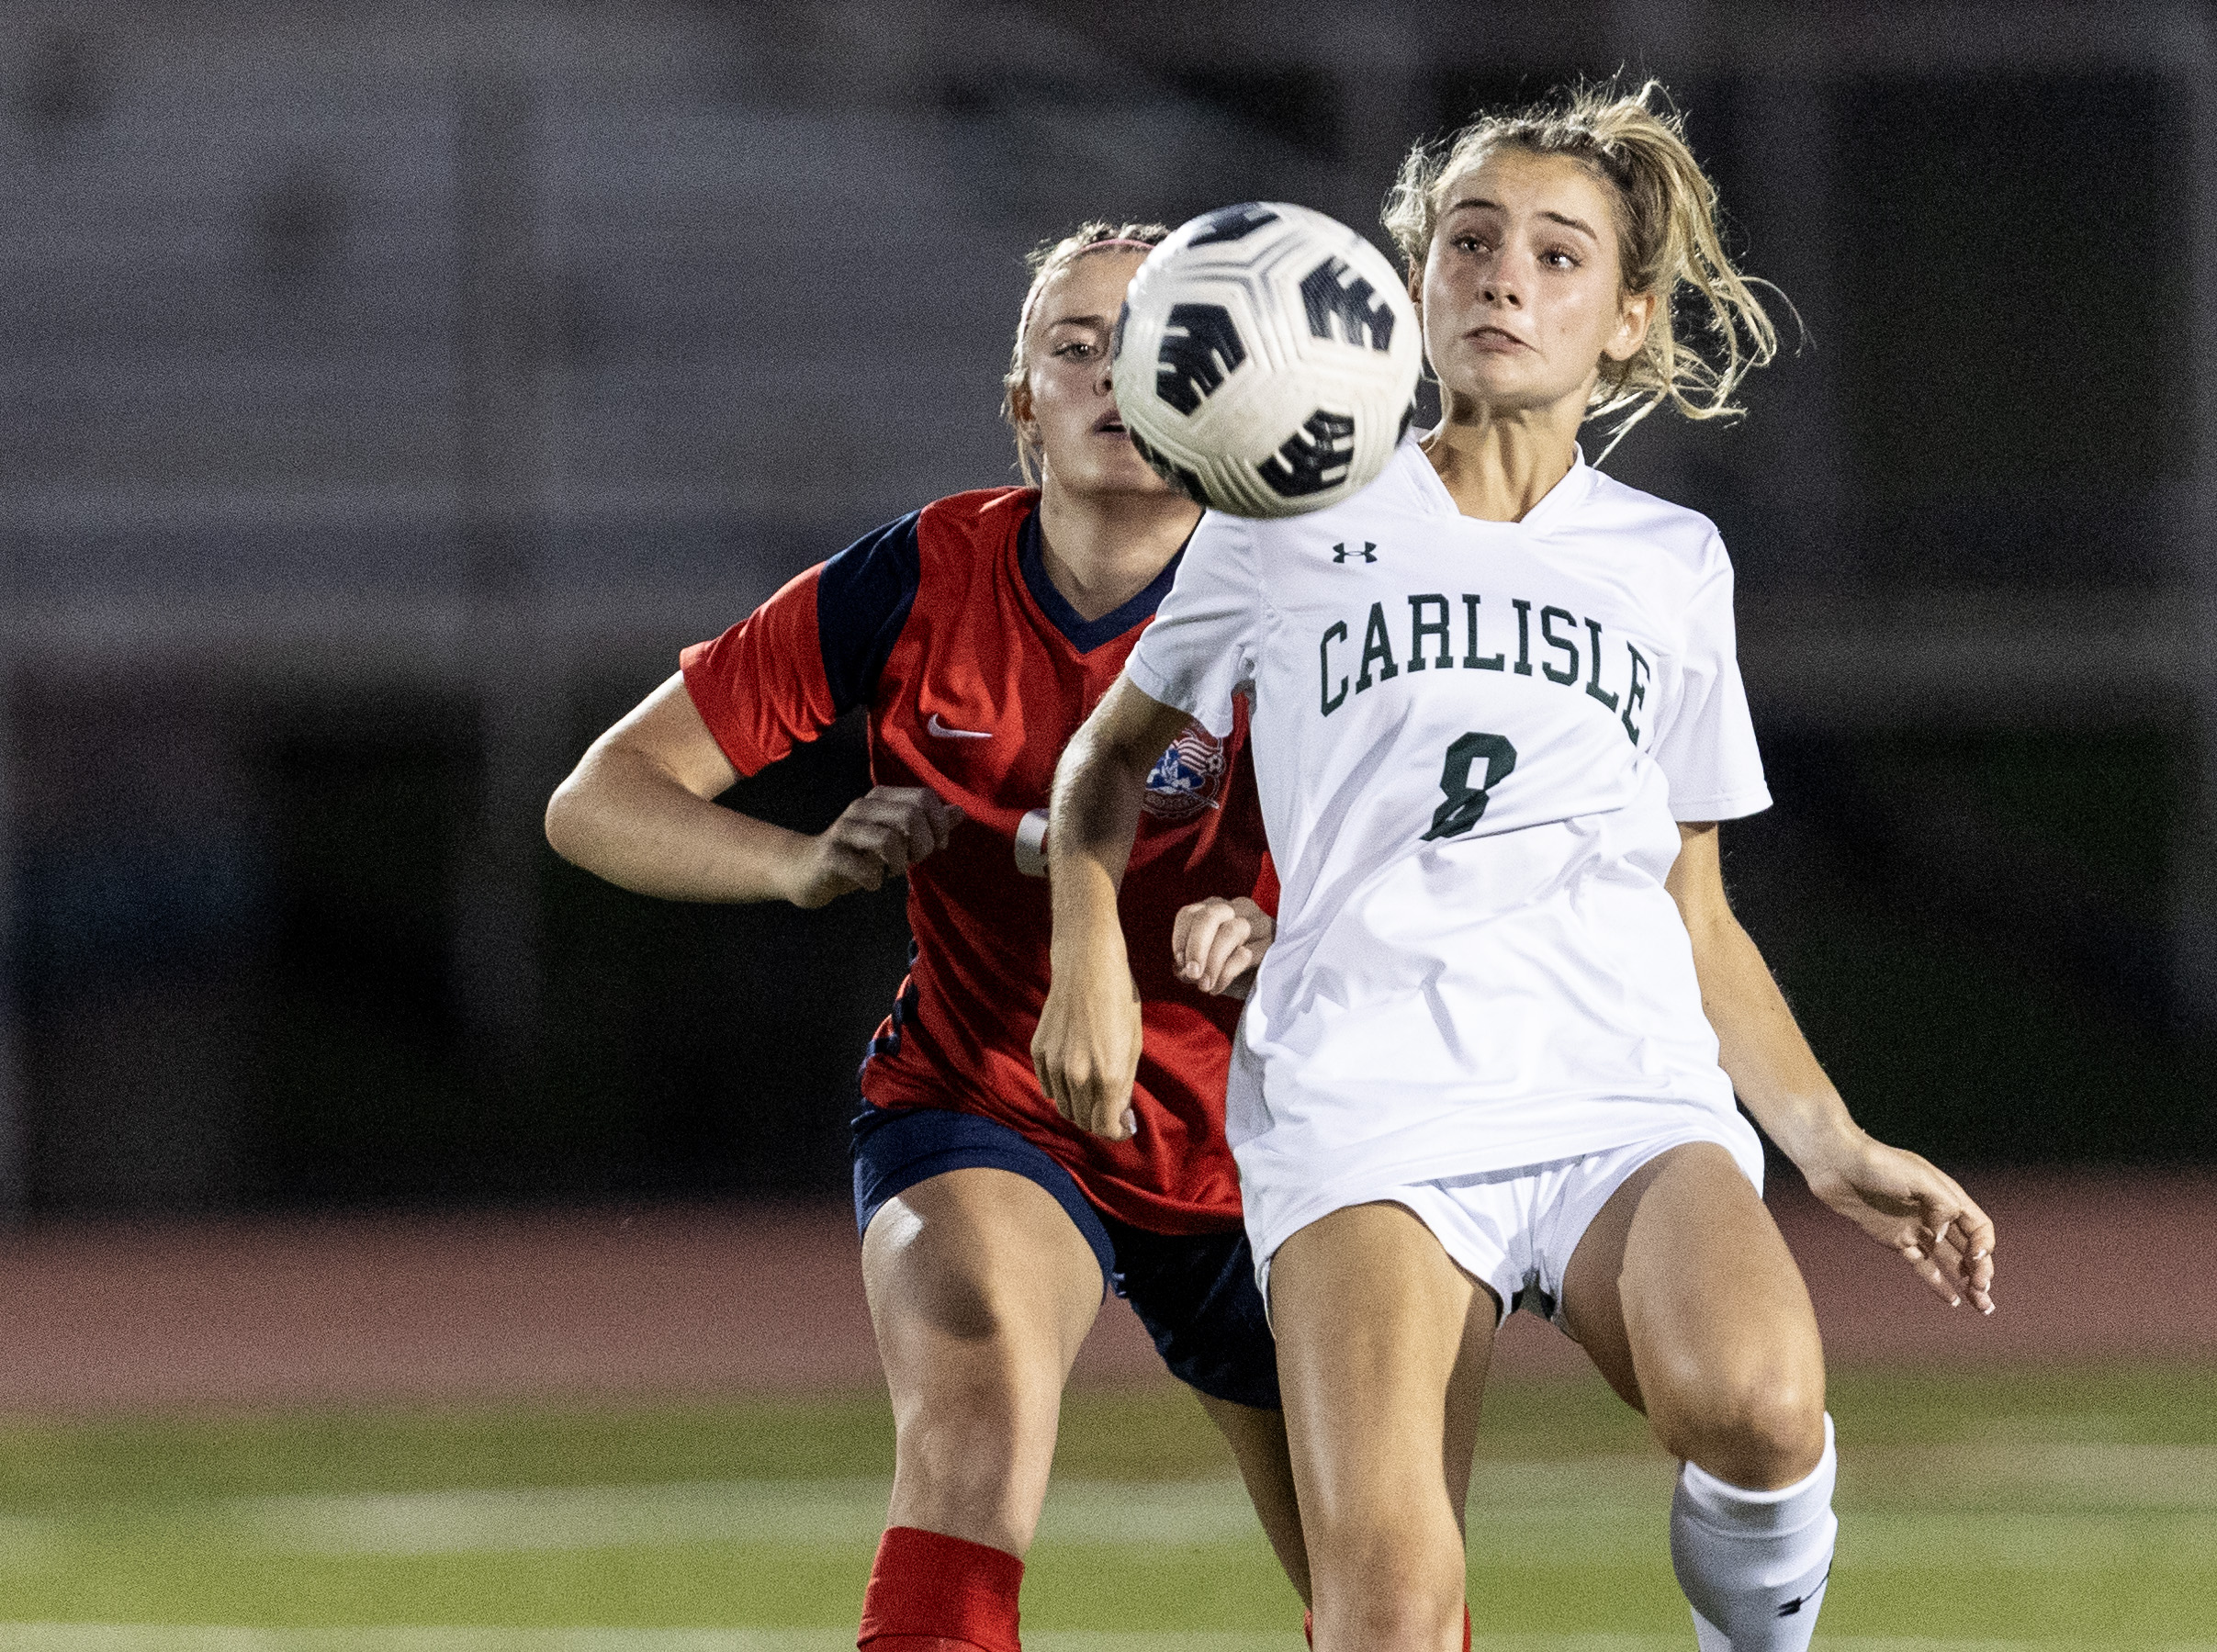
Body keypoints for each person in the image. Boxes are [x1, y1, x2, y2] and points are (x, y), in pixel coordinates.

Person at [1034, 86, 1998, 1652]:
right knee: (1391, 1619)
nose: (1502, 277)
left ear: (1625, 322)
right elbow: (1100, 772)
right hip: (1365, 1092)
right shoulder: (1282, 516)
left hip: (1616, 1084)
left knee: (1756, 1407)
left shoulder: (1669, 563)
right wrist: (1090, 953)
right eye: (1469, 242)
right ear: (1407, 291)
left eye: (1558, 256)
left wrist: (1823, 1140)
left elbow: (1692, 903)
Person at [545, 221, 1309, 1652]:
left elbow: (1434, 849)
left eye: (1151, 344)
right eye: (1072, 346)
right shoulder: (911, 583)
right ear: (1020, 405)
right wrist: (794, 862)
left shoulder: (1308, 589)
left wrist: (1283, 919)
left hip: (1271, 1137)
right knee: (971, 1416)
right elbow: (599, 800)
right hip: (986, 1103)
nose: (1109, 375)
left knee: (1378, 1589)